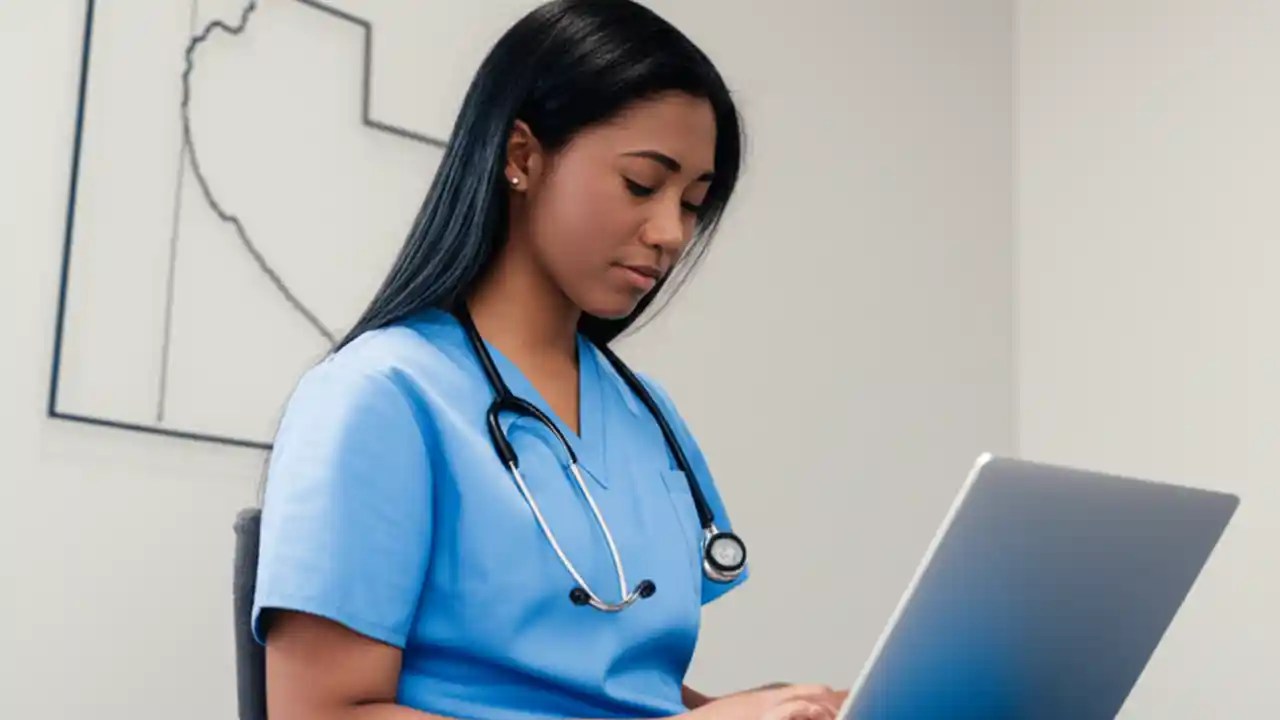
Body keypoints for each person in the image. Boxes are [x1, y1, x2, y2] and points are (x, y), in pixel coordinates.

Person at [251, 1, 847, 718]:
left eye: (693, 202)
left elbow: (616, 689)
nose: (670, 233)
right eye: (641, 185)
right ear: (521, 156)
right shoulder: (379, 395)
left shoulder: (643, 413)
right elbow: (322, 714)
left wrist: (778, 709)